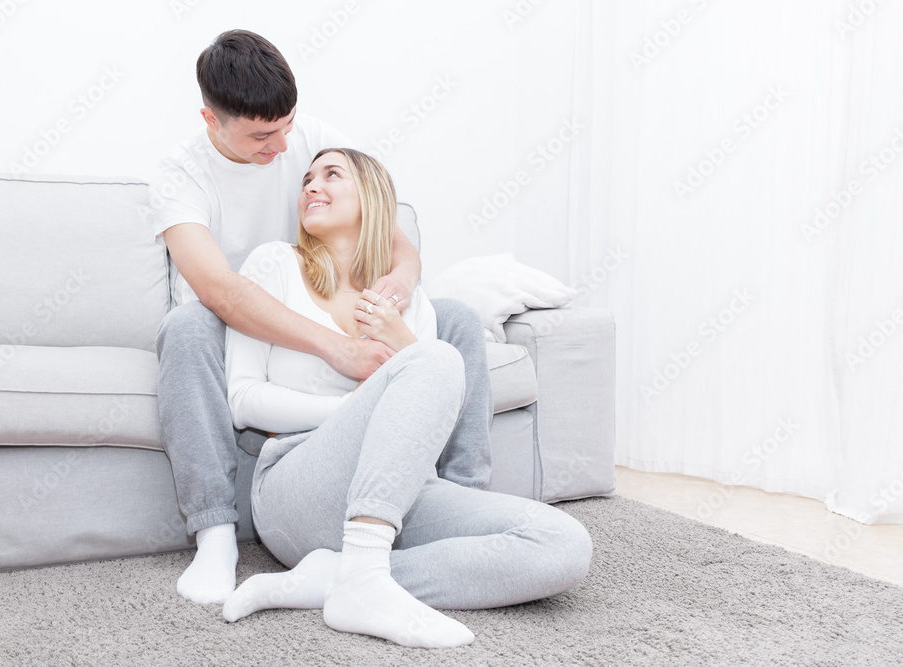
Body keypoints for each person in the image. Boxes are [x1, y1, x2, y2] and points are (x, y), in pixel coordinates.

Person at [151, 30, 493, 605]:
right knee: (184, 328)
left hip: (318, 292)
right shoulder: (180, 173)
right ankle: (214, 534)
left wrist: (401, 281)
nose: (285, 148)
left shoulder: (311, 139)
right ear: (212, 119)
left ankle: (462, 497)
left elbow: (389, 228)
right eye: (263, 135)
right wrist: (334, 350)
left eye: (287, 125)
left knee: (455, 319)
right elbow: (219, 290)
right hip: (232, 309)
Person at [220, 148, 592, 649]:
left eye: (332, 175)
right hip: (297, 484)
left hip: (399, 495)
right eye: (307, 179)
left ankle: (343, 576)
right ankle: (362, 573)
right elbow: (243, 400)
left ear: (372, 198)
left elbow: (427, 411)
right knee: (437, 358)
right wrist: (361, 405)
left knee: (563, 545)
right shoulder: (274, 263)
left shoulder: (407, 302)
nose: (311, 186)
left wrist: (401, 341)